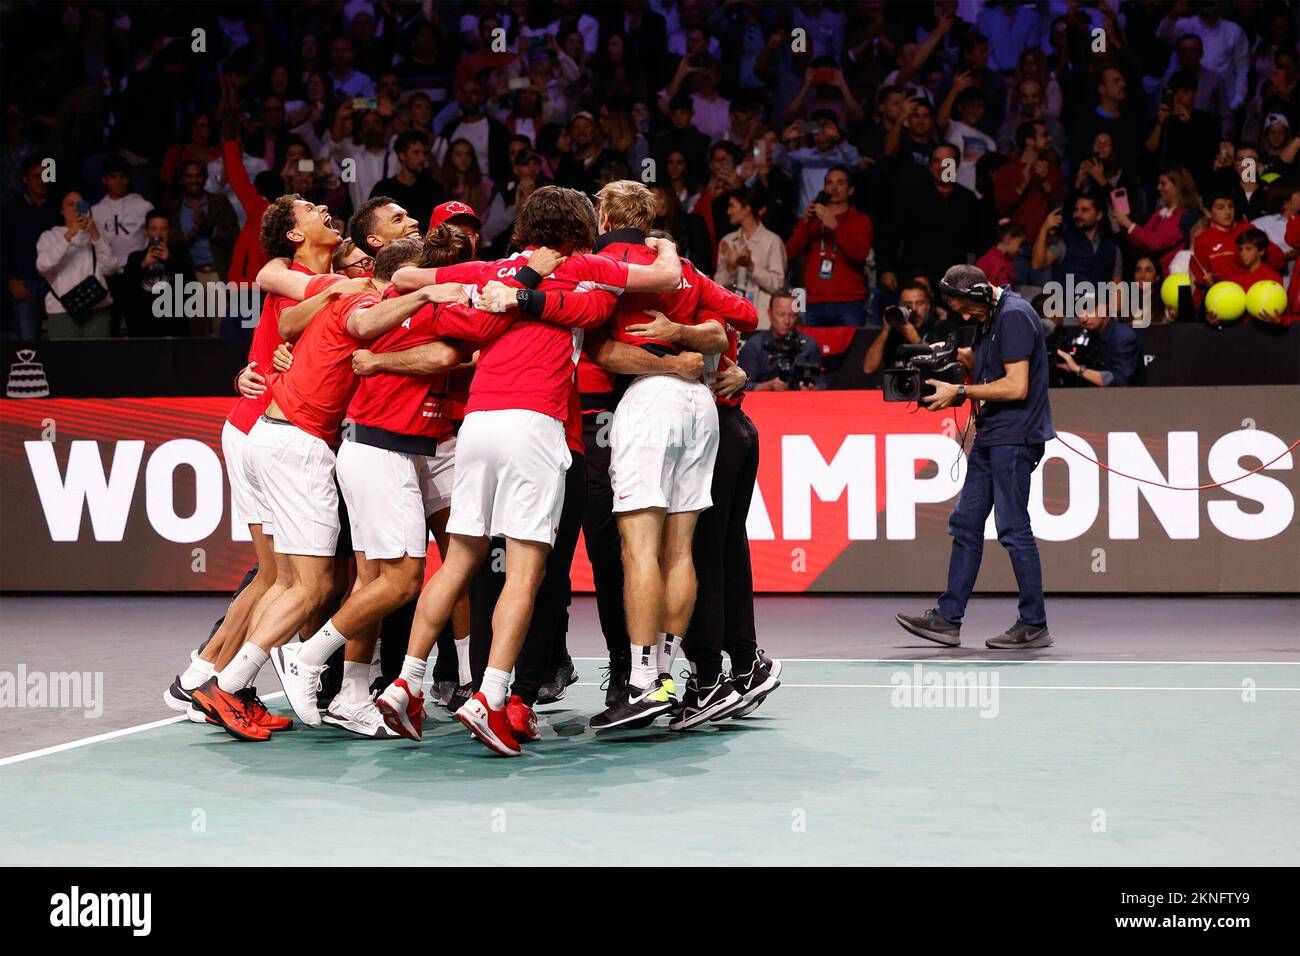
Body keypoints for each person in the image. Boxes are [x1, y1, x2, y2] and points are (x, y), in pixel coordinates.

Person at [587, 180, 756, 731]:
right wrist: (694, 338)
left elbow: (601, 346)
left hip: (650, 403)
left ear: (607, 213)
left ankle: (640, 684)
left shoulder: (604, 262)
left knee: (638, 550)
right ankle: (663, 671)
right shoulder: (680, 265)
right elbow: (744, 318)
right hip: (700, 409)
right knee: (678, 550)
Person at [896, 263, 1054, 651]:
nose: (964, 316)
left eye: (966, 308)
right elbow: (985, 359)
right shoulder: (991, 316)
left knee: (1013, 529)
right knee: (966, 522)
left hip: (1015, 437)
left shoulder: (1015, 315)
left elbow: (1016, 386)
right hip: (991, 435)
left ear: (982, 294)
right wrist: (943, 355)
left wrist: (961, 393)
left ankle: (1034, 624)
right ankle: (948, 619)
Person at [785, 165, 873, 327]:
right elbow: (790, 252)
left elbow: (860, 254)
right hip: (815, 300)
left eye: (840, 183)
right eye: (829, 183)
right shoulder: (812, 219)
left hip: (849, 301)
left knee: (853, 352)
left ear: (850, 189)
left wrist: (836, 227)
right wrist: (805, 222)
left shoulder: (860, 220)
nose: (833, 188)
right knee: (812, 351)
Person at [36, 190, 119, 339]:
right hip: (61, 310)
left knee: (97, 359)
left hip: (98, 307)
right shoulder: (50, 236)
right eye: (70, 204)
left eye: (80, 205)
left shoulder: (97, 234)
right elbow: (42, 266)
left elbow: (111, 268)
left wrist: (95, 234)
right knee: (64, 359)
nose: (75, 208)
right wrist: (68, 236)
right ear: (62, 211)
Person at [92, 155, 152, 337]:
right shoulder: (95, 211)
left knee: (139, 326)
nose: (118, 181)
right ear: (104, 179)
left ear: (128, 178)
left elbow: (152, 237)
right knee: (110, 329)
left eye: (122, 176)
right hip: (109, 276)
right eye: (113, 176)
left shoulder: (143, 206)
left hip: (137, 274)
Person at [714, 186, 786, 327]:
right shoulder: (727, 241)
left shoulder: (772, 241)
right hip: (733, 323)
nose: (728, 211)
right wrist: (730, 268)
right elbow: (716, 289)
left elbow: (778, 285)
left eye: (732, 206)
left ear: (747, 209)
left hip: (762, 323)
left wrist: (751, 267)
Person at [738, 287, 826, 390]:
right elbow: (741, 386)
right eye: (781, 314)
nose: (787, 321)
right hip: (765, 403)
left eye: (792, 315)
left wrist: (812, 389)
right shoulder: (755, 346)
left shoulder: (809, 345)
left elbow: (822, 384)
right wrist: (767, 386)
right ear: (769, 313)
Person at [862, 281, 955, 377]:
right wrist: (886, 329)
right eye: (908, 304)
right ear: (900, 306)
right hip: (897, 388)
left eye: (919, 303)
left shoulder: (941, 327)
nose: (914, 309)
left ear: (928, 305)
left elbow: (943, 365)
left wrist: (917, 341)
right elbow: (869, 368)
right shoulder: (895, 331)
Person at [370, 130, 446, 233]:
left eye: (424, 153)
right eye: (416, 152)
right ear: (402, 155)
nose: (422, 158)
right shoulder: (383, 189)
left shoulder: (434, 189)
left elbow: (442, 226)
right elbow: (373, 225)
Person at [1053, 298, 1140, 386]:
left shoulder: (1123, 337)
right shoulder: (1088, 335)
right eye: (1079, 312)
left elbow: (1119, 381)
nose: (1084, 318)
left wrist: (1078, 369)